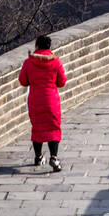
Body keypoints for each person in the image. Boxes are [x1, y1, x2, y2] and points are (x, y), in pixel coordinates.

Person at [18, 34, 67, 171]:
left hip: (35, 100)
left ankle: (38, 157)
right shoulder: (56, 62)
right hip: (51, 100)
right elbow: (62, 82)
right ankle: (54, 158)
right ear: (49, 47)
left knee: (37, 127)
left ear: (37, 46)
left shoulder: (29, 62)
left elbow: (23, 81)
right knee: (53, 128)